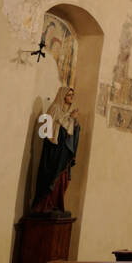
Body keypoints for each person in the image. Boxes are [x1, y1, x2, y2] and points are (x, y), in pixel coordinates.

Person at [31, 86, 80, 216]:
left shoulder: (65, 112)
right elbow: (53, 131)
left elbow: (68, 129)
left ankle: (55, 204)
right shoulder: (54, 109)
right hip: (54, 152)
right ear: (62, 96)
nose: (71, 97)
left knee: (62, 180)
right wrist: (71, 119)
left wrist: (74, 123)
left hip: (62, 153)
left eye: (72, 95)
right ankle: (44, 205)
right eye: (69, 95)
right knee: (51, 178)